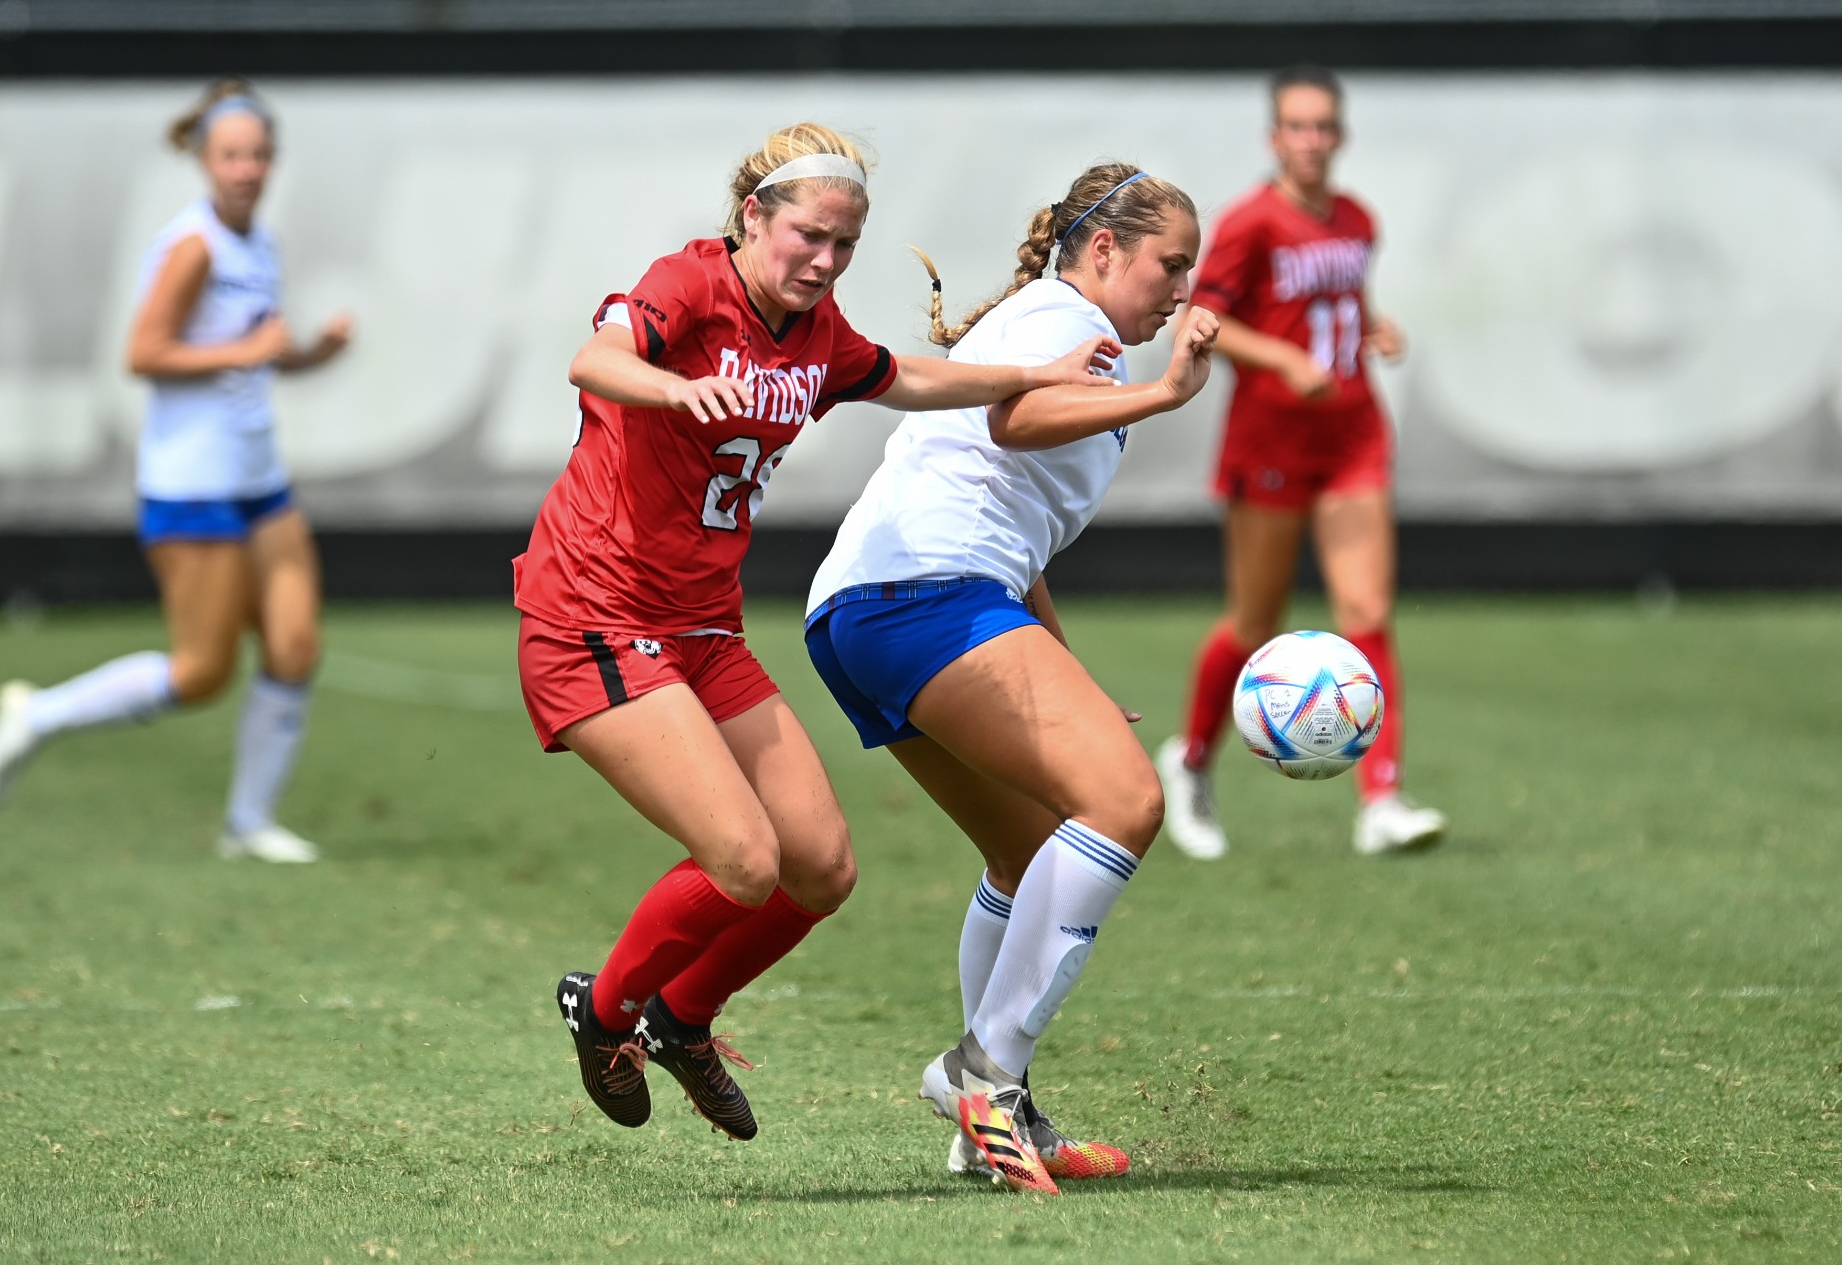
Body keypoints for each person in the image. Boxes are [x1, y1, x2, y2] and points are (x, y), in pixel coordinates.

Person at [524, 123, 1120, 1146]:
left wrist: (1028, 376)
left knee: (820, 869)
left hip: (703, 627)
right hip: (597, 615)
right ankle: (607, 1008)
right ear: (752, 216)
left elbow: (902, 376)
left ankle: (679, 1017)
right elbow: (595, 355)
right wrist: (675, 385)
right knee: (742, 860)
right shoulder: (689, 282)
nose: (823, 261)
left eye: (842, 246)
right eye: (807, 237)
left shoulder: (814, 331)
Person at [803, 162, 1221, 1194]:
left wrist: (1056, 661)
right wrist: (1165, 391)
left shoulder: (1063, 325)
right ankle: (980, 1074)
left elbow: (1016, 528)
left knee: (1025, 845)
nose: (1180, 287)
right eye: (1169, 263)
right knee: (1122, 800)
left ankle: (995, 1120)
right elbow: (1010, 424)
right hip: (923, 596)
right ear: (1104, 248)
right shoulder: (1059, 314)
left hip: (867, 606)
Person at [0, 78, 353, 865]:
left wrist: (313, 352)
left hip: (259, 477)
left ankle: (248, 823)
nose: (246, 168)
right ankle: (38, 713)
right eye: (232, 154)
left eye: (258, 154)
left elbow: (257, 360)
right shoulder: (193, 246)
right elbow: (144, 353)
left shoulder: (262, 244)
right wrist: (247, 351)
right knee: (202, 671)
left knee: (294, 645)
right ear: (204, 159)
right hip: (193, 483)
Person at [1157, 65, 1446, 860]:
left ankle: (1380, 797)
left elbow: (1337, 306)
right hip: (1272, 441)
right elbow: (1204, 314)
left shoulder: (1356, 217)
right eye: (1298, 126)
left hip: (1352, 433)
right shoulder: (1250, 221)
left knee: (1368, 610)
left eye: (1324, 126)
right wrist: (1281, 361)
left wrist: (1375, 329)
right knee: (1255, 622)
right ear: (1274, 136)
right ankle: (1190, 763)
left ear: (1340, 135)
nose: (1312, 140)